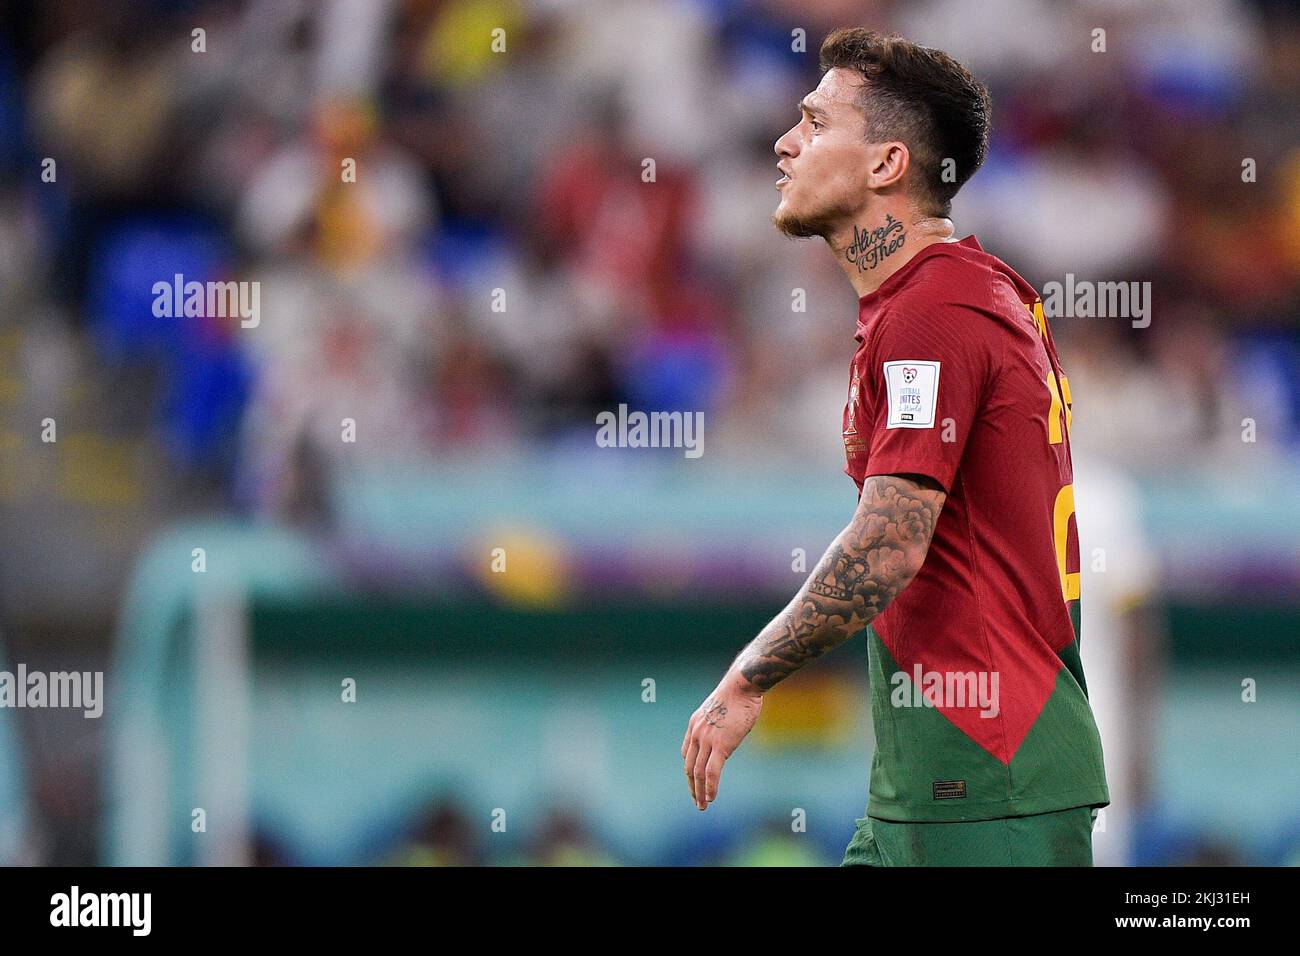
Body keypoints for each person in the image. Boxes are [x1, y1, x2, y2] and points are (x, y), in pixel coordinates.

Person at [680, 28, 1109, 866]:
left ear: (884, 165)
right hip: (935, 781)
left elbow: (888, 545)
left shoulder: (933, 312)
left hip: (988, 777)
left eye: (815, 121)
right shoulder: (949, 297)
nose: (785, 141)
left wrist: (748, 678)